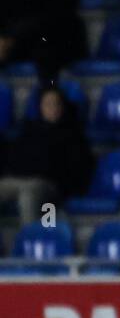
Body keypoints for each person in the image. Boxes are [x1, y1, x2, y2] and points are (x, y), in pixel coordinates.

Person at [0, 86, 94, 224]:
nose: (52, 108)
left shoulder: (72, 134)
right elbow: (15, 159)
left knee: (28, 195)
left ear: (63, 107)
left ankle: (30, 241)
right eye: (48, 104)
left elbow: (75, 169)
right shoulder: (30, 130)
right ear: (41, 107)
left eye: (56, 104)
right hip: (20, 179)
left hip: (48, 184)